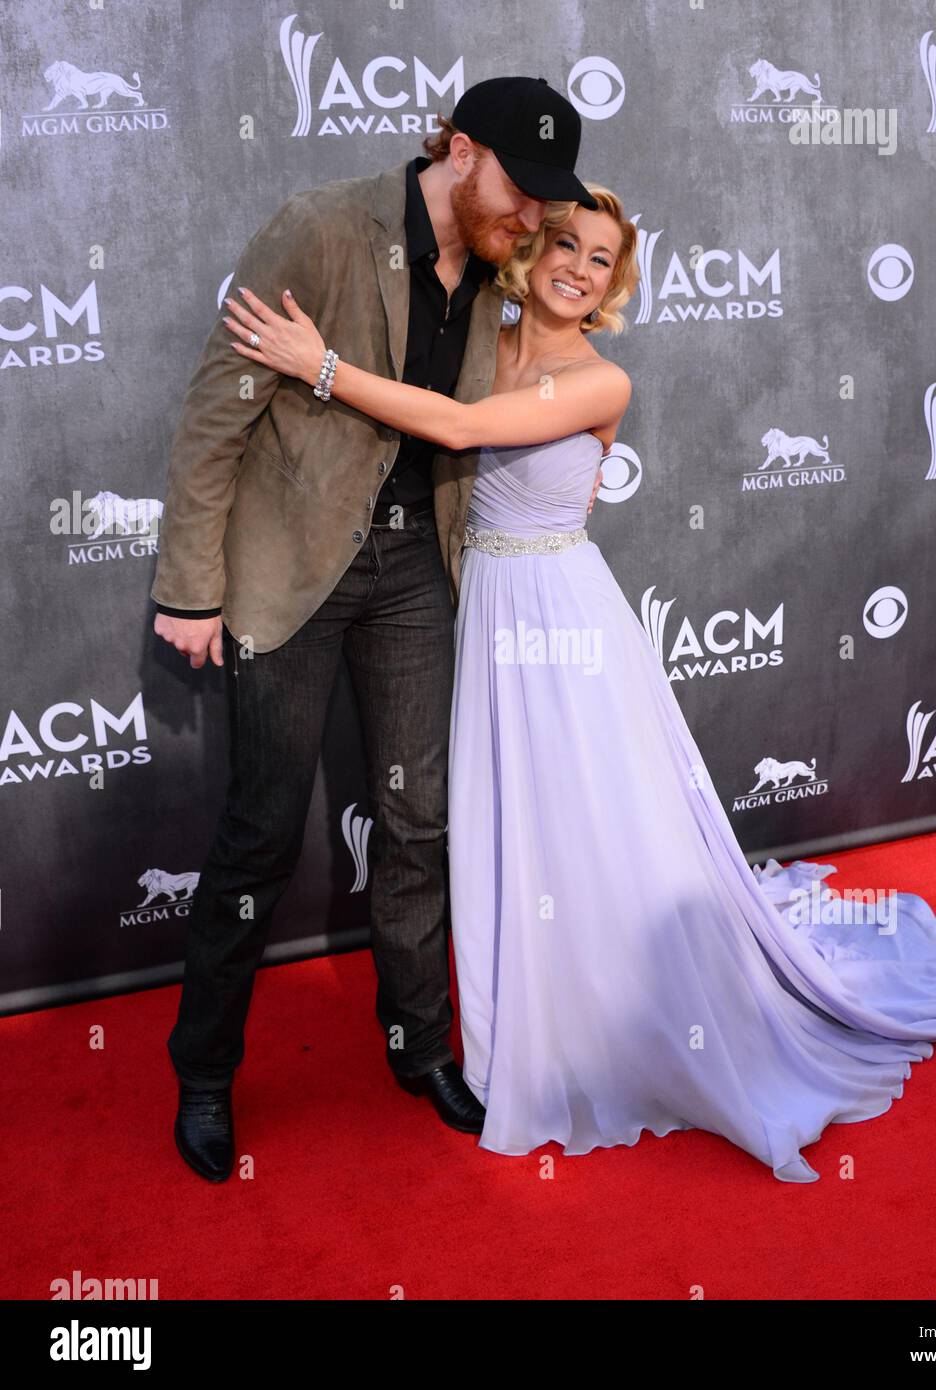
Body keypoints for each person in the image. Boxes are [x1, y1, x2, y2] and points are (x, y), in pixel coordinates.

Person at [224, 188, 936, 1185]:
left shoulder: (599, 380)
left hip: (563, 618)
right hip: (490, 607)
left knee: (595, 825)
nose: (579, 268)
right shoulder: (485, 330)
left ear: (615, 282)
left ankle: (610, 1026)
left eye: (601, 259)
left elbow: (456, 428)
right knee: (515, 825)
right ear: (535, 248)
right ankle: (518, 1022)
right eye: (566, 245)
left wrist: (317, 367)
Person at [151, 76, 603, 1183]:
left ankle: (421, 1045)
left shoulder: (504, 270)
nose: (536, 219)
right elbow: (219, 410)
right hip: (293, 567)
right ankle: (204, 1073)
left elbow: (511, 402)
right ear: (457, 149)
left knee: (417, 818)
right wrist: (188, 588)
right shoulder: (323, 225)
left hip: (414, 569)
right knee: (262, 827)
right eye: (521, 187)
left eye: (552, 201)